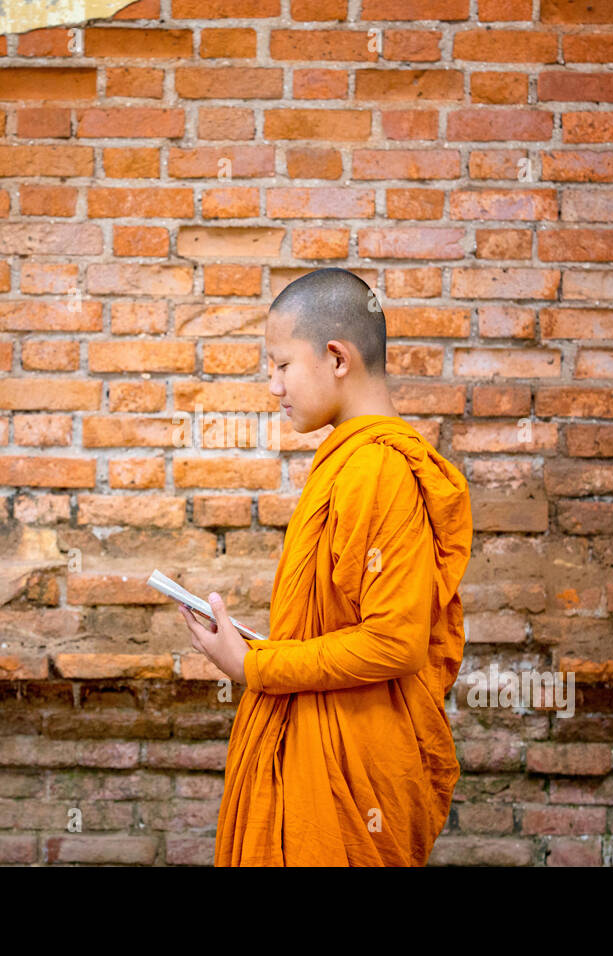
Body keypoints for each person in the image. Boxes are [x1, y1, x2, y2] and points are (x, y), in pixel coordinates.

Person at [179, 267, 473, 866]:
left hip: (352, 767)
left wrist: (254, 665)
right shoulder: (348, 461)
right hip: (325, 743)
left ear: (337, 358)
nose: (273, 386)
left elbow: (395, 643)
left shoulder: (377, 469)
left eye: (282, 365)